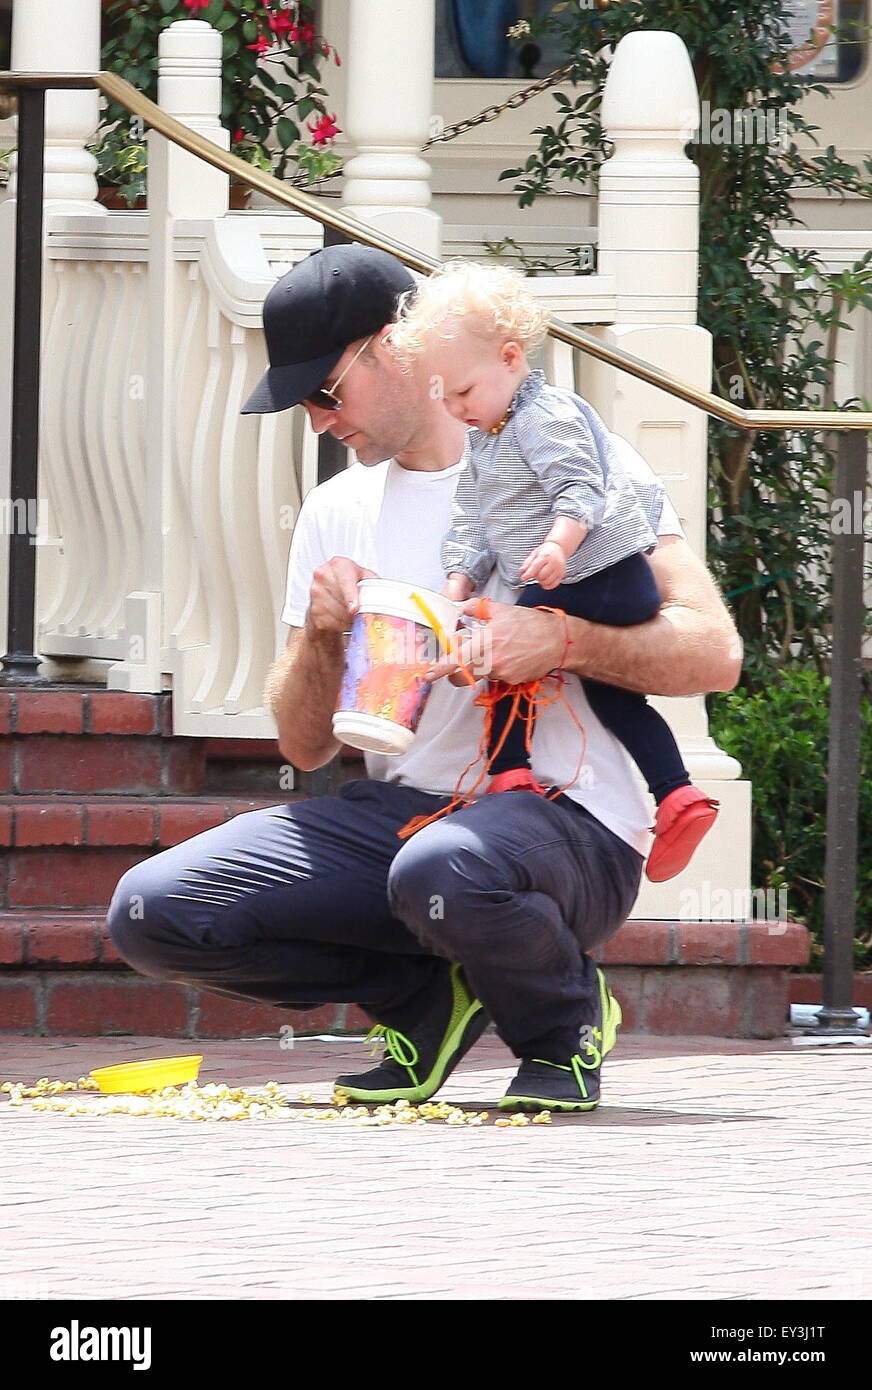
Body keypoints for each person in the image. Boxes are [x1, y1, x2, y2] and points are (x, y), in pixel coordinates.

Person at [106, 244, 741, 1114]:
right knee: (152, 911)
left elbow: (713, 653)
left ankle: (561, 1029)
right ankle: (422, 1002)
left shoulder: (575, 463)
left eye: (324, 393)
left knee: (442, 870)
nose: (319, 423)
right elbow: (303, 742)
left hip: (565, 824)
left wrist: (557, 638)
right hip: (405, 818)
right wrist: (326, 639)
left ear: (394, 349)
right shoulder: (338, 511)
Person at [389, 261, 718, 883]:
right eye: (444, 396)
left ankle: (511, 776)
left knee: (506, 657)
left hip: (602, 572)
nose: (455, 407)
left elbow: (581, 488)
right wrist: (458, 579)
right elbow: (474, 518)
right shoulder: (488, 432)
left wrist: (559, 547)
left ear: (511, 359)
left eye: (463, 391)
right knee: (614, 696)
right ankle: (677, 796)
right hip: (568, 576)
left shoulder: (548, 416)